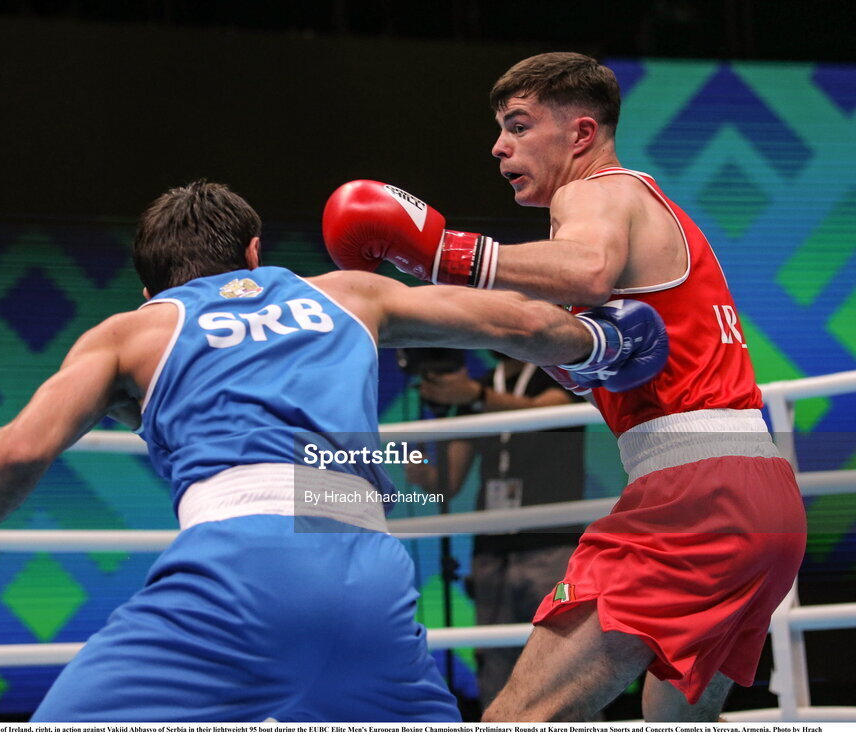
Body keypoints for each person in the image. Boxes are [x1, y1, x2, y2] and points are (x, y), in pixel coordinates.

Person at [0, 180, 668, 722]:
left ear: (149, 283)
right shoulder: (347, 293)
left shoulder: (134, 329)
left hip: (238, 570)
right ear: (254, 254)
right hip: (367, 572)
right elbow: (519, 324)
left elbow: (22, 451)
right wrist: (600, 344)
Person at [321, 52, 808, 722]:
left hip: (697, 496)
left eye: (518, 126)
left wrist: (443, 254)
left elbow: (588, 269)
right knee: (674, 722)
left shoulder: (597, 191)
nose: (499, 147)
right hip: (763, 497)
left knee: (512, 718)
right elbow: (542, 326)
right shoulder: (647, 211)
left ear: (581, 134)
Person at [407, 353, 586, 711]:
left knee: (566, 664)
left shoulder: (558, 371)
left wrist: (472, 395)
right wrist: (418, 438)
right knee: (495, 666)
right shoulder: (482, 385)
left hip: (552, 542)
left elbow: (543, 412)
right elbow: (446, 481)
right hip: (490, 550)